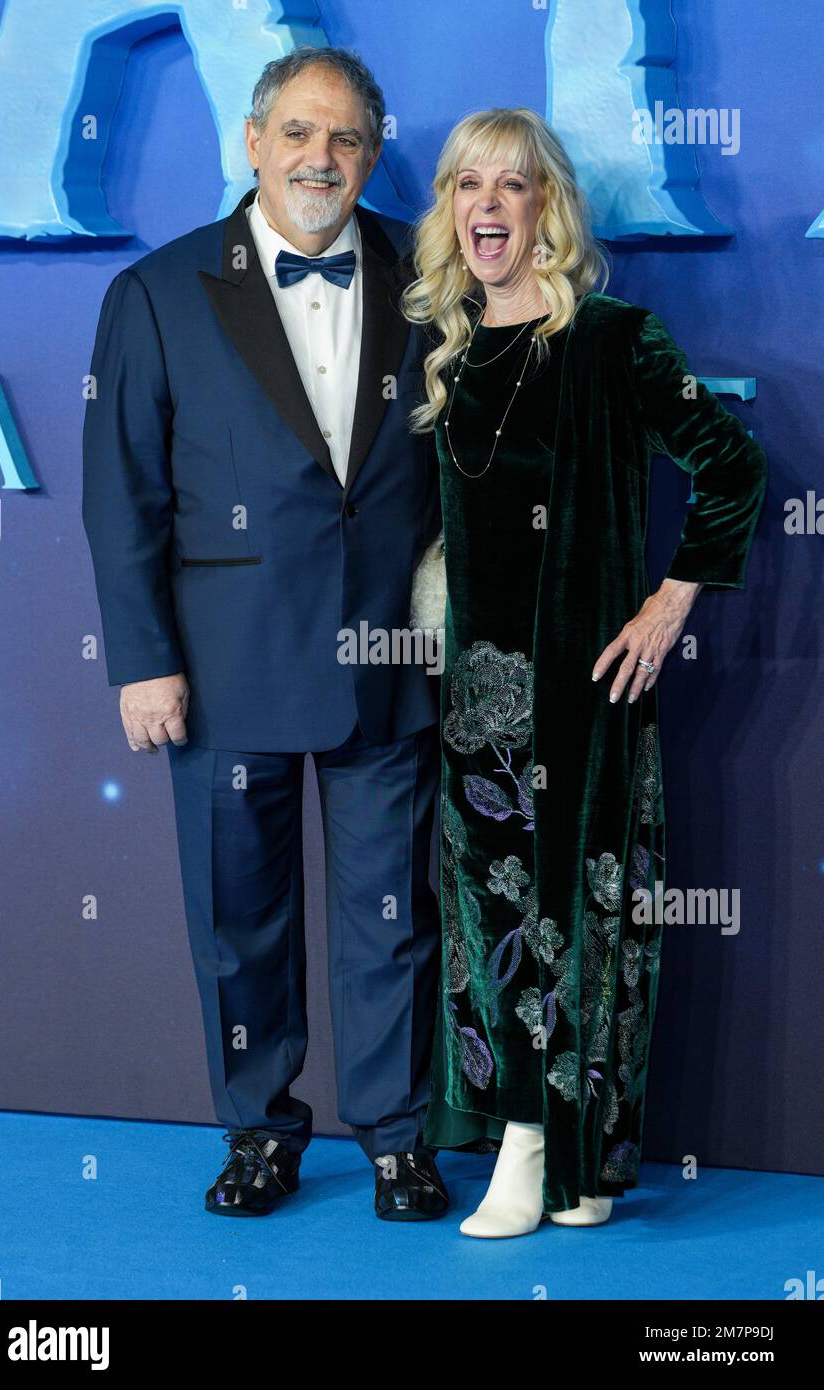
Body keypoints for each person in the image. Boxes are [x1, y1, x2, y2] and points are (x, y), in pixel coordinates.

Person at [82, 47, 449, 1222]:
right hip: (227, 664)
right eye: (297, 133)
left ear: (373, 154)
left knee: (389, 917)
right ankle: (259, 1131)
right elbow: (120, 494)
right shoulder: (157, 290)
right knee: (238, 919)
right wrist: (143, 660)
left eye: (344, 140)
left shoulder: (427, 274)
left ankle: (396, 1136)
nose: (318, 160)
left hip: (389, 658)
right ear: (252, 143)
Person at [401, 107, 767, 1237]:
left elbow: (730, 465)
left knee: (575, 921)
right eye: (468, 185)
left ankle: (542, 1150)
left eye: (511, 187)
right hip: (478, 701)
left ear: (545, 208)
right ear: (450, 211)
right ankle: (567, 1162)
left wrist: (669, 598)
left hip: (585, 695)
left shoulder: (612, 340)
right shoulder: (450, 353)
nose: (486, 208)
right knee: (489, 918)